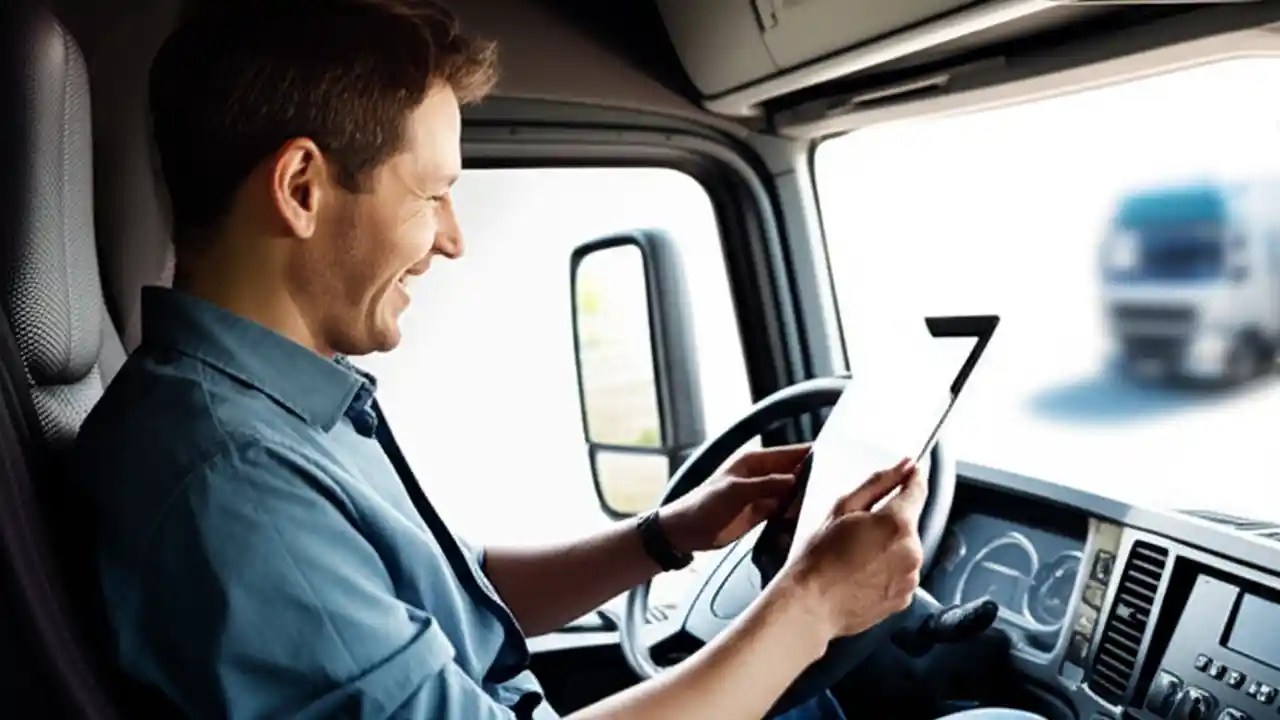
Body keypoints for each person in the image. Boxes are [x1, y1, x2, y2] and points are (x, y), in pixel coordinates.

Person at [71, 2, 947, 718]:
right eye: (434, 194)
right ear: (301, 189)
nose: (451, 240)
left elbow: (454, 597)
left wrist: (666, 534)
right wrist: (811, 607)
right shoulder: (234, 482)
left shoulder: (270, 414)